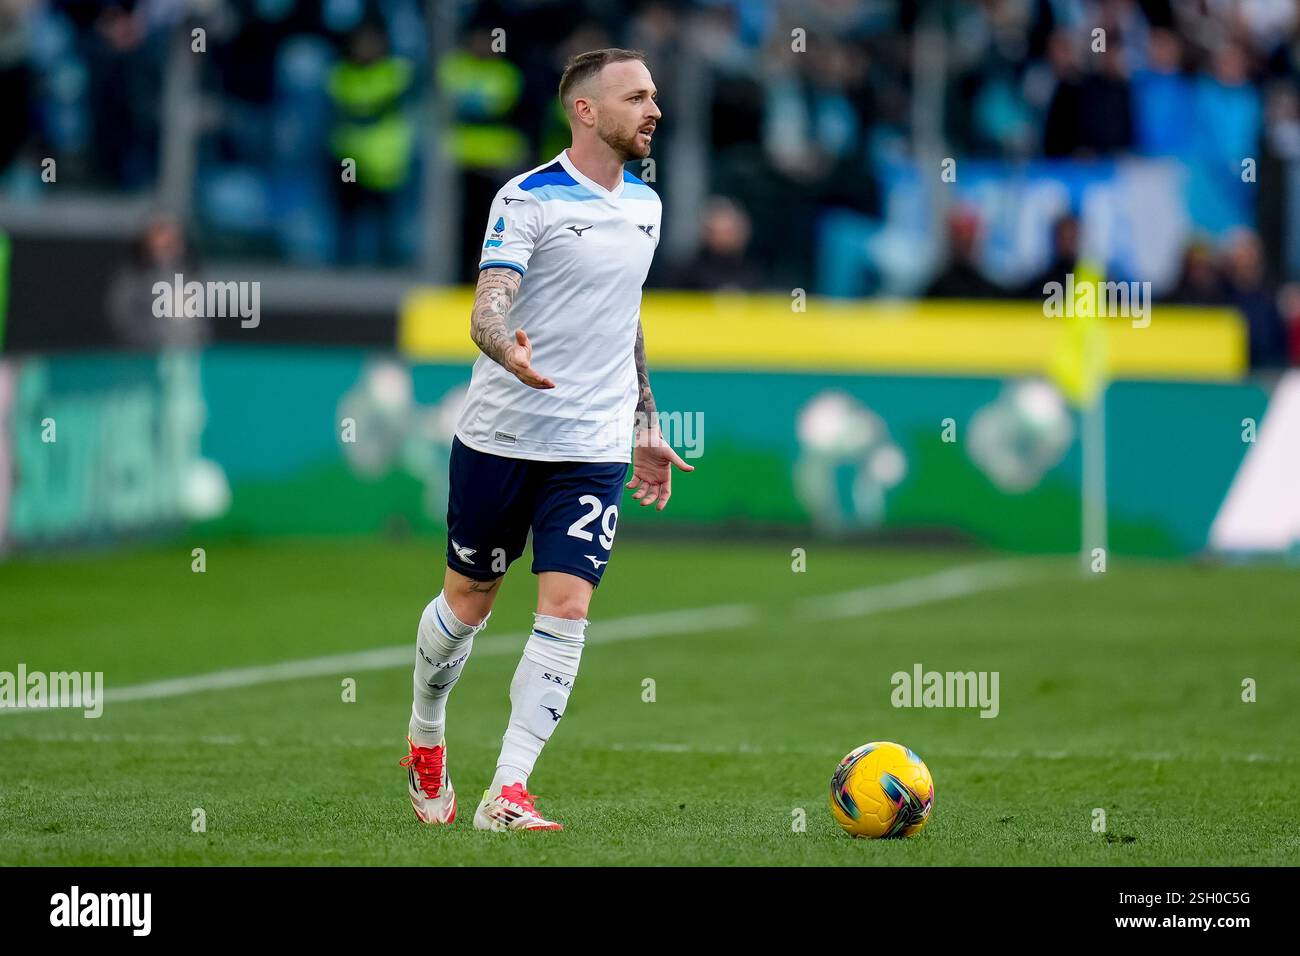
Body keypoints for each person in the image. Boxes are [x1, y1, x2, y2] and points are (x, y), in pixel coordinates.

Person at [399, 48, 693, 831]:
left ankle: (508, 791)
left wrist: (644, 424)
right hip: (501, 436)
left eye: (655, 95)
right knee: (468, 603)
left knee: (566, 608)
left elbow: (625, 318)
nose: (654, 109)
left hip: (591, 447)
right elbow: (487, 306)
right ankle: (426, 732)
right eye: (637, 97)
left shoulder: (647, 207)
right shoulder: (526, 198)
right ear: (587, 111)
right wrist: (508, 351)